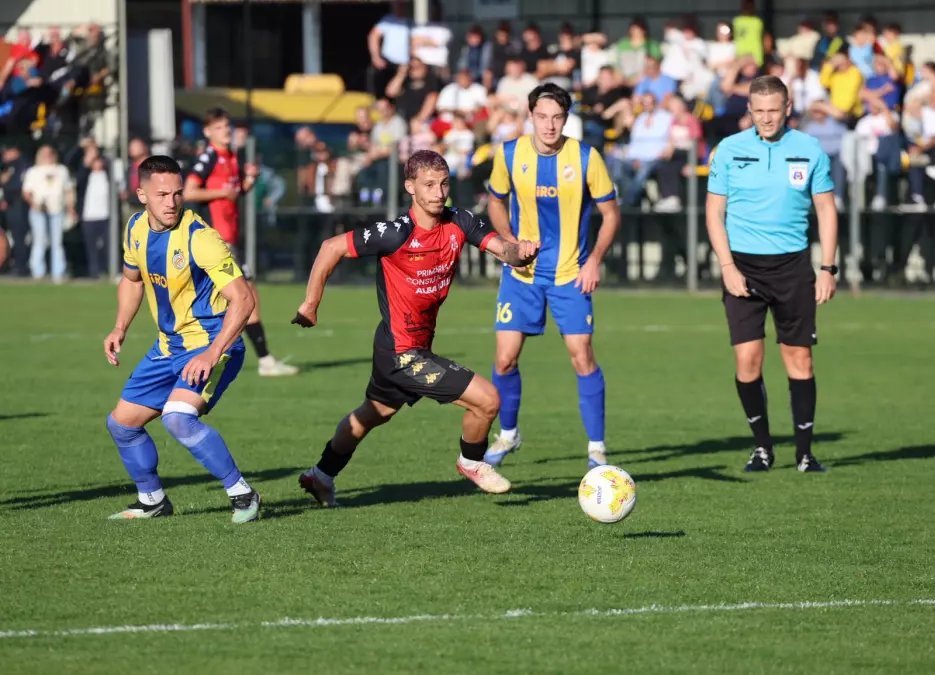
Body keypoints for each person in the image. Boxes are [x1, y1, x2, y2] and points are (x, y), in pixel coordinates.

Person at [291, 150, 540, 505]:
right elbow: (331, 247)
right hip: (401, 352)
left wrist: (521, 252)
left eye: (444, 184)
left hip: (403, 344)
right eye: (429, 185)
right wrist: (311, 304)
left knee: (374, 413)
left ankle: (321, 475)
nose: (439, 193)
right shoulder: (395, 234)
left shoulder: (460, 221)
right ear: (410, 187)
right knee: (488, 401)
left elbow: (504, 251)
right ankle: (472, 462)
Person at [103, 155, 261, 522]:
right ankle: (152, 500)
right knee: (122, 424)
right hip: (168, 346)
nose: (172, 202)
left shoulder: (200, 238)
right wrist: (119, 327)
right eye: (162, 195)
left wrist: (212, 353)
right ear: (142, 195)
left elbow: (243, 299)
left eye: (177, 194)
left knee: (178, 418)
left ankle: (243, 494)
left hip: (212, 343)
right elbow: (132, 280)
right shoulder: (135, 228)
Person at [483, 83, 620, 469]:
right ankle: (508, 434)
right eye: (542, 117)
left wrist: (594, 260)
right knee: (504, 359)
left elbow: (611, 214)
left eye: (557, 117)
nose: (549, 125)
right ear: (530, 116)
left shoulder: (586, 158)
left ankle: (597, 448)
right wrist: (510, 242)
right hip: (521, 275)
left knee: (582, 357)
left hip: (570, 275)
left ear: (566, 118)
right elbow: (495, 201)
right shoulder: (509, 153)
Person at [705, 75, 838, 474]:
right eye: (759, 111)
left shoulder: (809, 149)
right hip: (742, 268)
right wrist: (727, 267)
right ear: (749, 110)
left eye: (773, 110)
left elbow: (826, 209)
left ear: (787, 109)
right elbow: (714, 213)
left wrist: (827, 268)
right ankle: (762, 449)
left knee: (800, 360)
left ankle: (805, 454)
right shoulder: (729, 150)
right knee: (747, 361)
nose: (766, 118)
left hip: (793, 267)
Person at [183, 107, 298, 377]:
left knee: (234, 299)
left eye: (227, 127)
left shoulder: (231, 156)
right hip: (218, 240)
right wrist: (221, 192)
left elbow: (235, 193)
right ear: (208, 132)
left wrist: (249, 180)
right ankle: (263, 360)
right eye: (219, 128)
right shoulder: (209, 157)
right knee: (246, 298)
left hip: (231, 237)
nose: (225, 131)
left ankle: (241, 358)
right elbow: (189, 191)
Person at [21, 145, 75, 283]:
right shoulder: (33, 171)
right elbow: (26, 192)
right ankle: (37, 272)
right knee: (39, 241)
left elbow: (68, 190)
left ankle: (58, 272)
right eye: (44, 154)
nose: (47, 156)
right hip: (38, 210)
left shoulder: (61, 170)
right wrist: (34, 203)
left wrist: (70, 208)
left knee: (57, 242)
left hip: (57, 209)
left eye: (50, 153)